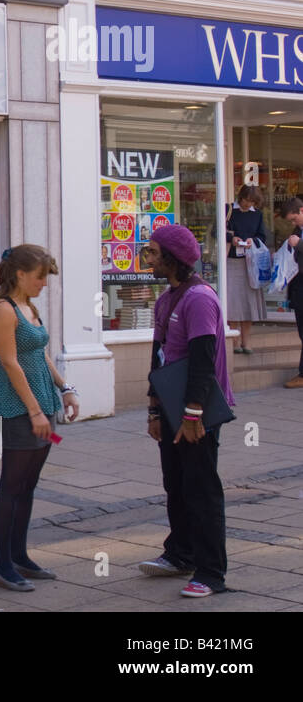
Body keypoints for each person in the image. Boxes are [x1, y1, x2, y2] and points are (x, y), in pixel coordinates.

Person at [138, 224, 232, 597]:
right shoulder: (166, 299)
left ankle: (211, 573)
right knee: (175, 484)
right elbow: (158, 356)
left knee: (202, 489)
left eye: (153, 252)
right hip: (172, 404)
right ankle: (180, 554)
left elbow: (203, 360)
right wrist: (154, 410)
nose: (149, 258)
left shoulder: (200, 299)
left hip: (197, 408)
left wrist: (193, 414)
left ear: (173, 258)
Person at [0, 244, 80, 592]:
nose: (44, 283)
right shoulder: (3, 309)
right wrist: (35, 411)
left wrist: (66, 388)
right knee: (11, 486)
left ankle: (19, 556)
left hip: (44, 405)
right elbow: (10, 363)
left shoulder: (29, 306)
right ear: (20, 274)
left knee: (28, 486)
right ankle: (2, 564)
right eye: (40, 277)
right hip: (20, 410)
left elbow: (40, 355)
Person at [225, 185, 267, 354]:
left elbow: (262, 236)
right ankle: (234, 340)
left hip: (250, 261)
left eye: (251, 202)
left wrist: (252, 240)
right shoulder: (228, 210)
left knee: (249, 302)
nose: (247, 204)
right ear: (240, 197)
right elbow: (216, 232)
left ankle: (246, 341)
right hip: (232, 261)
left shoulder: (257, 214)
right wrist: (232, 238)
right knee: (233, 302)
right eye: (246, 200)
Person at [283, 197, 303, 389]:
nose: (292, 223)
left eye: (294, 219)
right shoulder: (297, 231)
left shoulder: (299, 236)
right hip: (298, 288)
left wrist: (299, 244)